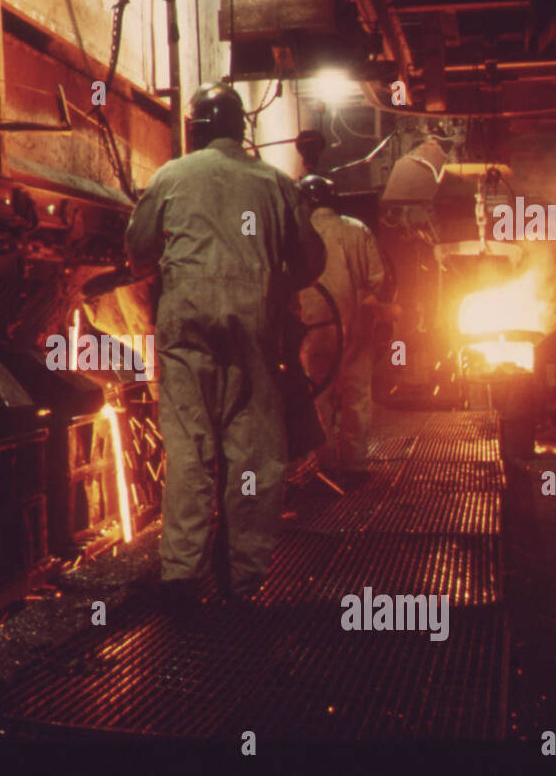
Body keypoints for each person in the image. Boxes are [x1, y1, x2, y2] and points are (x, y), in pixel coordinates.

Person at [124, 82, 325, 605]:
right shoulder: (276, 183)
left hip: (184, 325)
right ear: (242, 129)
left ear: (195, 128)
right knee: (252, 452)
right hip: (253, 326)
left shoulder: (170, 176)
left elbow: (139, 249)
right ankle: (243, 578)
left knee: (190, 449)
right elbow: (308, 263)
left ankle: (181, 576)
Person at [297, 174, 388, 479]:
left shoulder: (302, 234)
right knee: (357, 395)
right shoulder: (357, 229)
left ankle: (325, 465)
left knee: (319, 394)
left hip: (316, 327)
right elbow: (379, 279)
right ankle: (355, 465)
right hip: (358, 326)